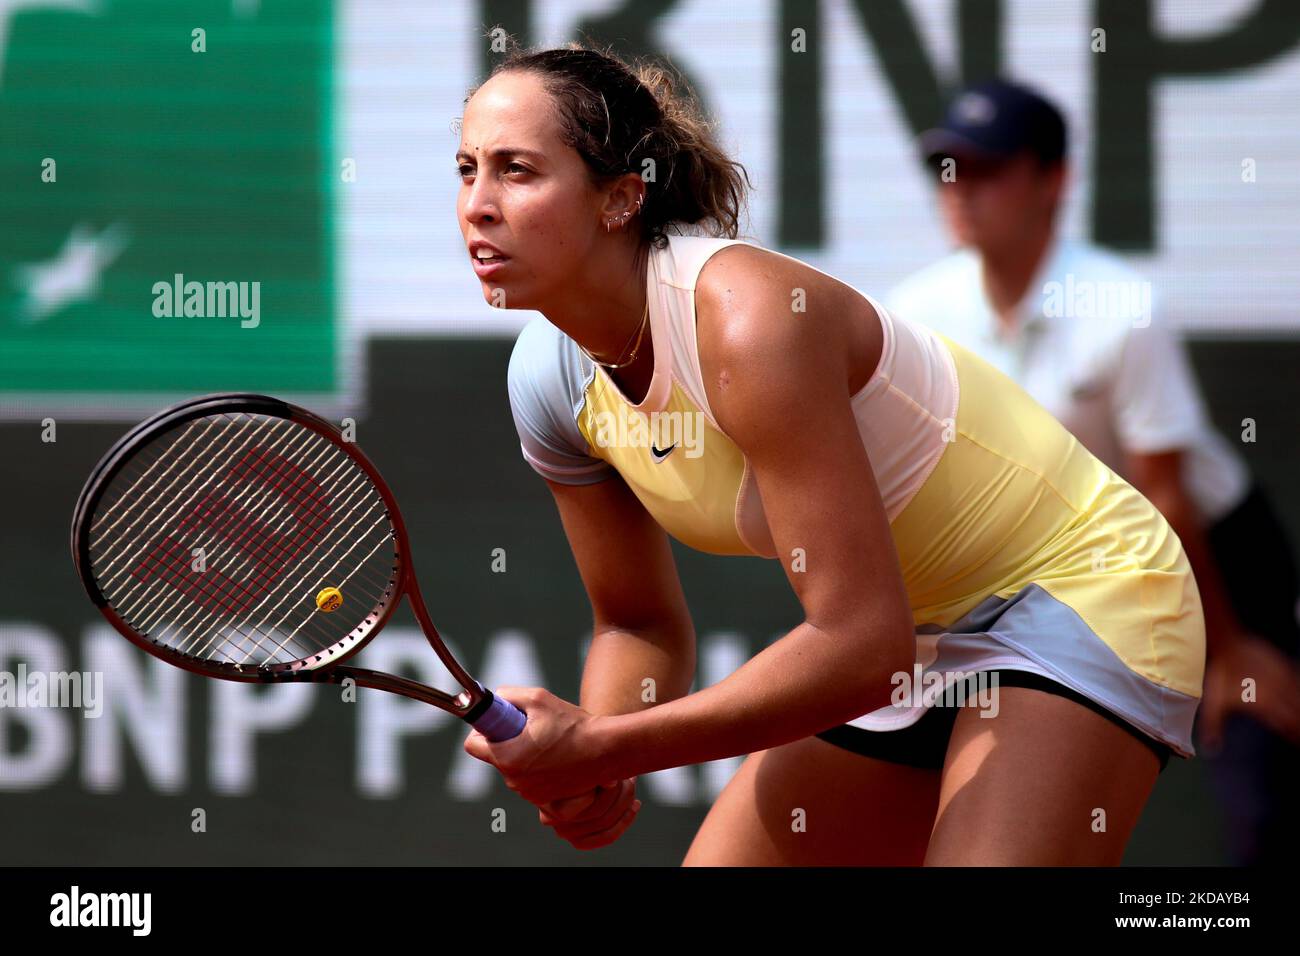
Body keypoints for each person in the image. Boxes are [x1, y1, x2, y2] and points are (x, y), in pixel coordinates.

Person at [456, 41, 1205, 865]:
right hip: (907, 633)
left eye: (517, 171)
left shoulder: (752, 320)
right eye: (467, 169)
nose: (477, 204)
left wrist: (612, 749)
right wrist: (599, 747)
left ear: (621, 199)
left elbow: (859, 648)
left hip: (1075, 590)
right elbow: (636, 622)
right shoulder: (548, 380)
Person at [886, 78, 1300, 865]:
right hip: (1038, 575)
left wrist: (1227, 648)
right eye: (948, 168)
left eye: (987, 169)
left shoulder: (1121, 306)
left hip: (1213, 560)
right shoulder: (916, 312)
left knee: (1261, 786)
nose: (960, 191)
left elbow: (1169, 497)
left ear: (1055, 181)